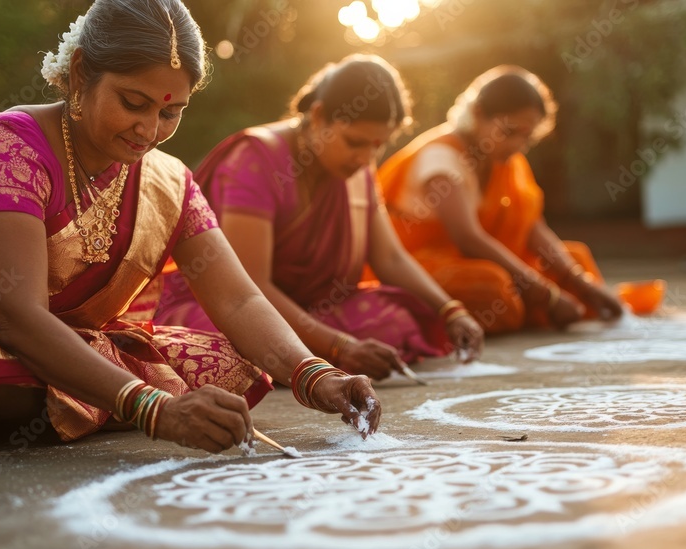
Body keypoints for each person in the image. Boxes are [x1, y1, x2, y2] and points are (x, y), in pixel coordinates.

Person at [0, 0, 380, 457]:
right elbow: (13, 313)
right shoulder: (11, 147)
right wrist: (155, 409)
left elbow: (238, 299)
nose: (149, 130)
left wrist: (316, 377)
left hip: (72, 338)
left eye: (170, 112)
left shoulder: (169, 180)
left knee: (232, 365)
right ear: (81, 74)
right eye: (133, 102)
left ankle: (17, 416)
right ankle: (35, 408)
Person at [155, 55, 484, 380]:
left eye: (378, 146)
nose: (366, 158)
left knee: (398, 319)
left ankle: (299, 360)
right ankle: (302, 361)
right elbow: (250, 288)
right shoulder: (254, 160)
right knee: (225, 347)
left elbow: (391, 259)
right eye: (354, 142)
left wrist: (451, 310)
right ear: (318, 116)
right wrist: (341, 346)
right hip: (235, 306)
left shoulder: (358, 169)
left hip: (310, 308)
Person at [377, 65, 624, 334]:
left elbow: (532, 227)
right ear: (478, 114)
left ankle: (534, 305)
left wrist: (577, 280)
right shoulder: (441, 159)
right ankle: (527, 309)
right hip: (421, 266)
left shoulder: (503, 161)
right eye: (509, 132)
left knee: (576, 258)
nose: (517, 145)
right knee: (491, 288)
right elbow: (468, 239)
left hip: (478, 261)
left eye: (526, 137)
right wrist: (547, 294)